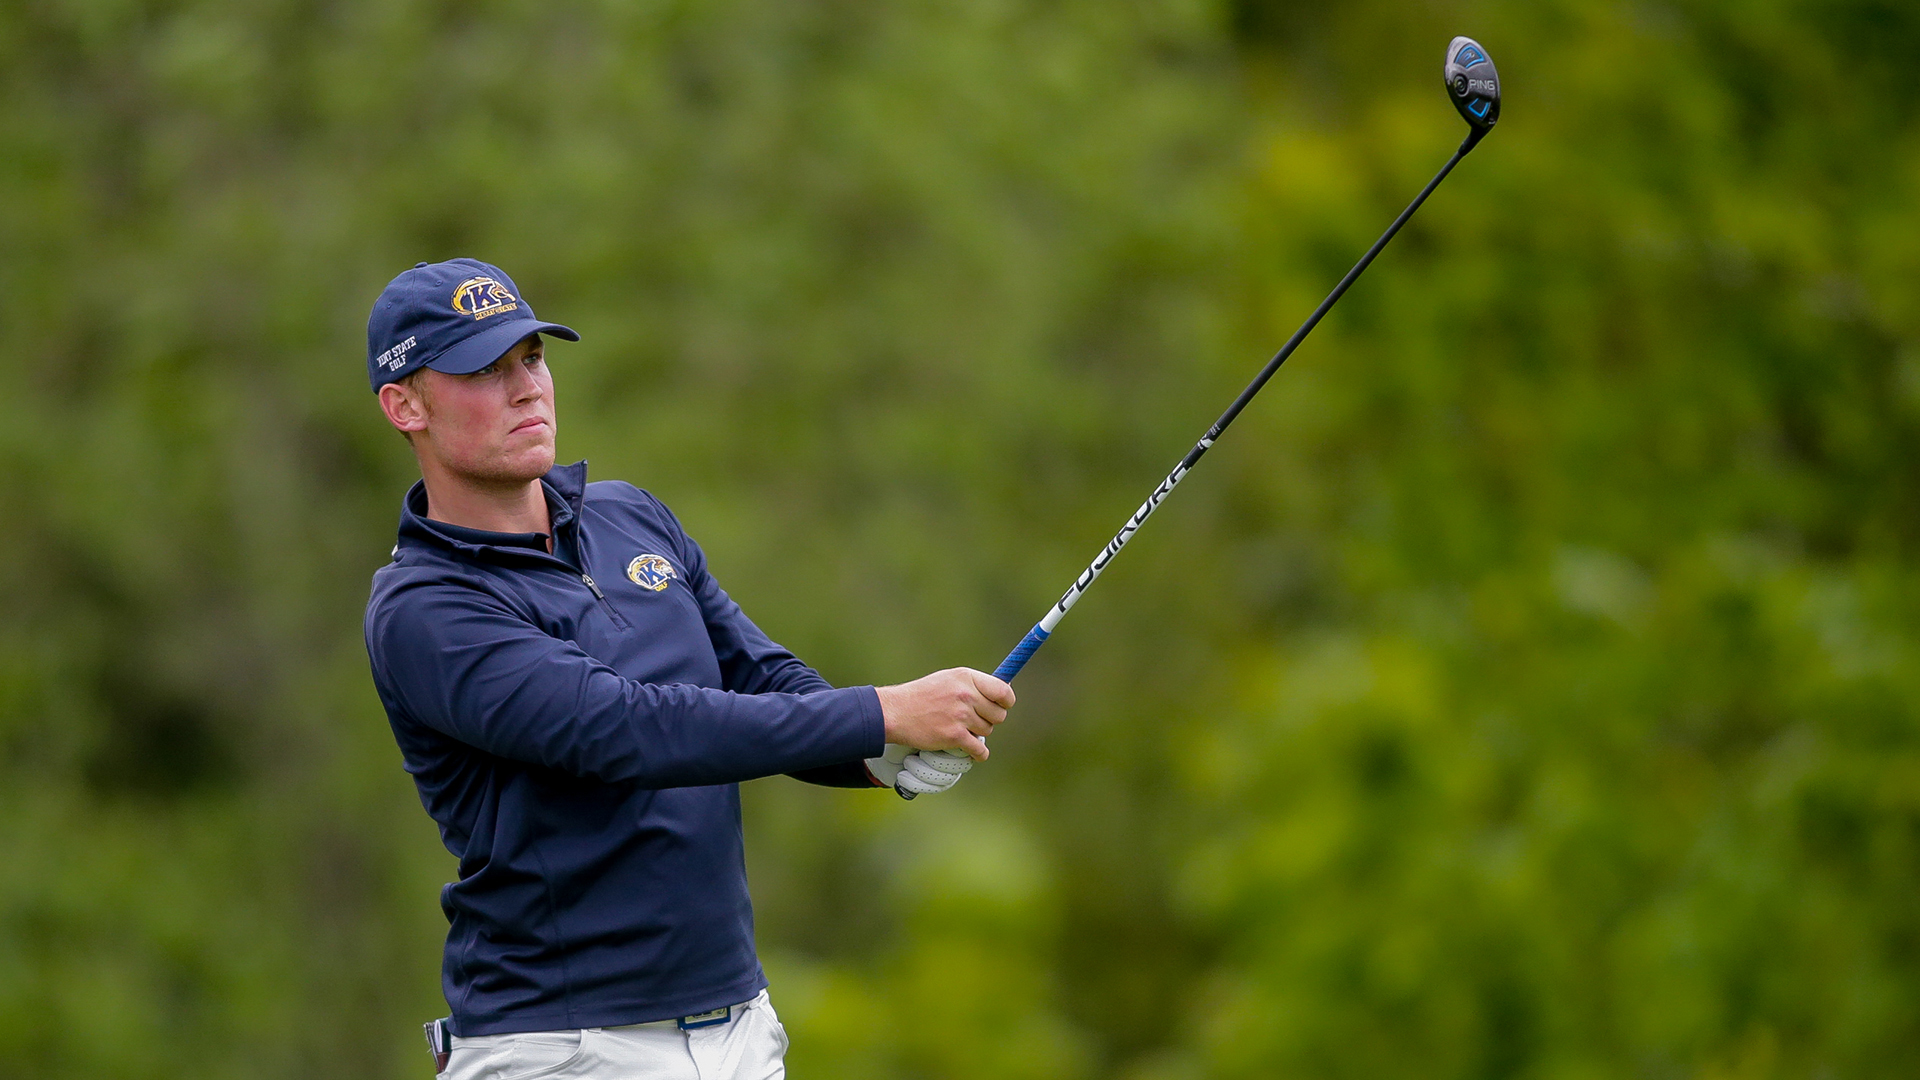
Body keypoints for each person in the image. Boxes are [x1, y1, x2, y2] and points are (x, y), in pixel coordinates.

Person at [361, 258, 1014, 1079]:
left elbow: (762, 681)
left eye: (532, 358)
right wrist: (882, 712)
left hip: (739, 1028)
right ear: (404, 405)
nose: (527, 388)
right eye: (484, 370)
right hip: (564, 1048)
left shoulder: (631, 517)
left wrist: (883, 759)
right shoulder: (425, 608)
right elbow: (627, 730)